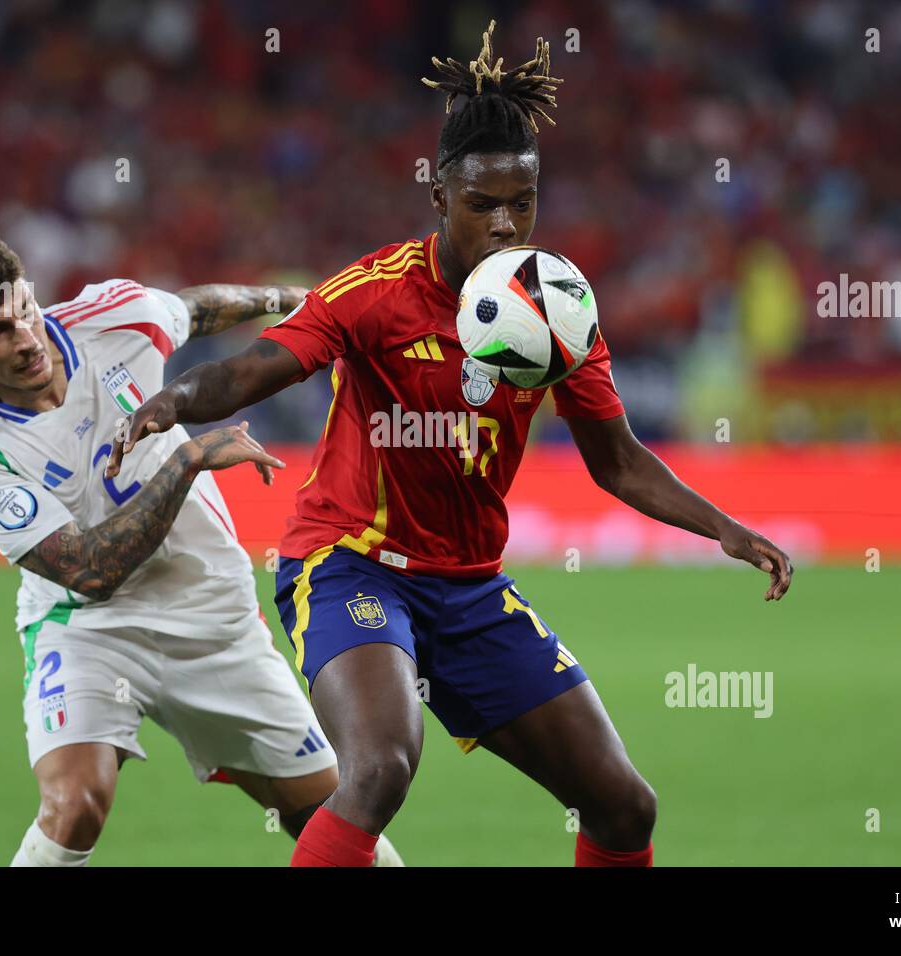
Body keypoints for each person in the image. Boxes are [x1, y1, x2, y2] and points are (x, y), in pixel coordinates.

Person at [108, 22, 792, 867]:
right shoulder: (374, 292)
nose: (506, 225)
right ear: (439, 196)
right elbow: (258, 367)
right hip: (350, 564)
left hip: (468, 587)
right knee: (380, 767)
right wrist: (174, 400)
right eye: (483, 205)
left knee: (624, 807)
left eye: (523, 204)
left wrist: (721, 525)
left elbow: (615, 461)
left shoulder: (557, 310)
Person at [0, 231, 402, 866]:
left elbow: (194, 309)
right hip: (88, 627)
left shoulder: (114, 316)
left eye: (25, 311)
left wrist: (281, 297)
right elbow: (90, 572)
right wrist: (189, 459)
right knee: (74, 805)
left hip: (209, 612)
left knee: (329, 808)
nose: (26, 338)